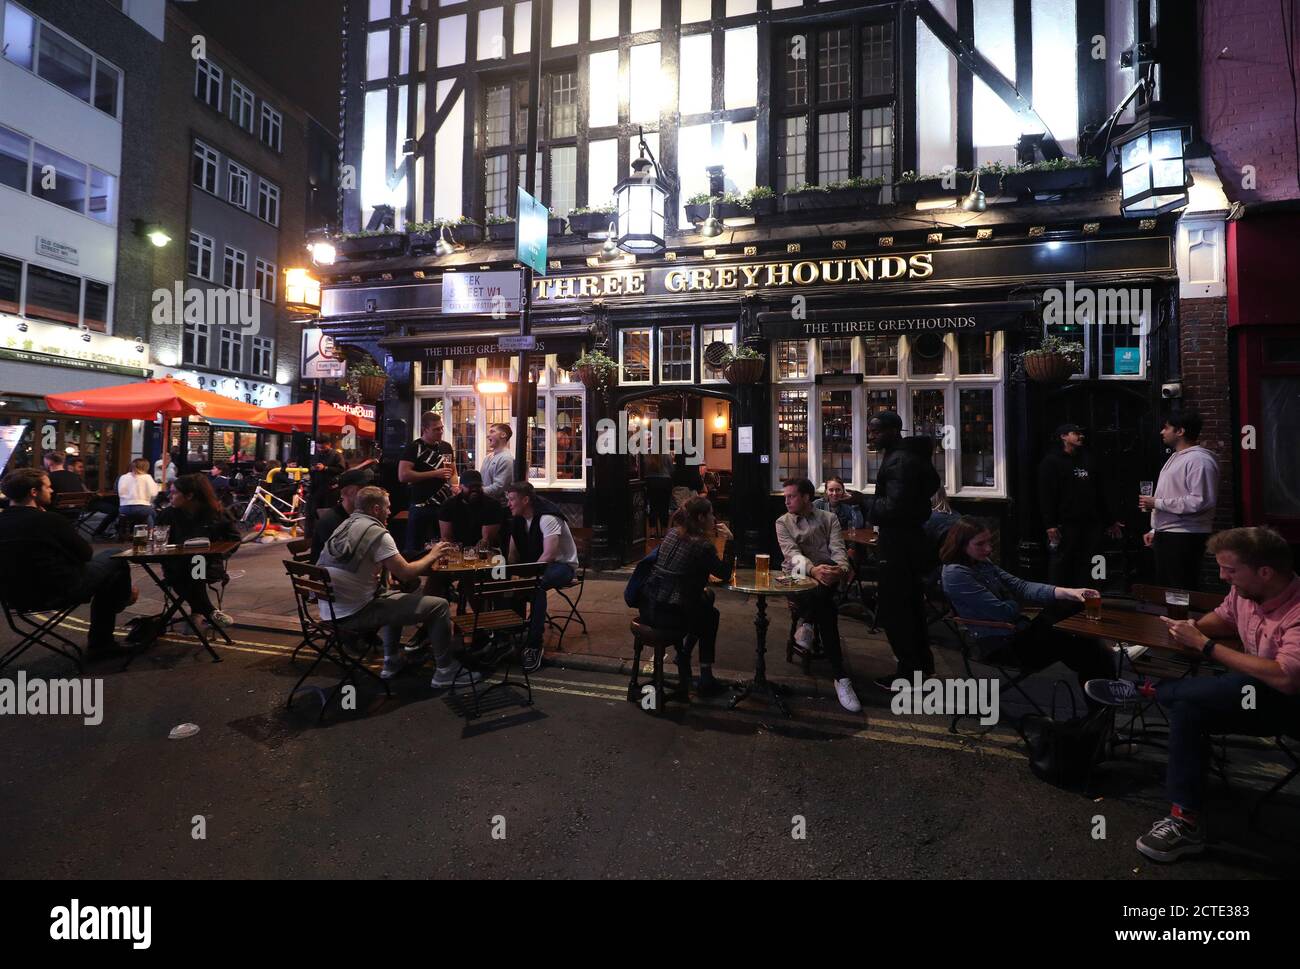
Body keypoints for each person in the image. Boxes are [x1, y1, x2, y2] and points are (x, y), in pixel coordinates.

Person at [1084, 527, 1300, 863]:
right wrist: (1192, 630)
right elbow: (1224, 617)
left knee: (1253, 681)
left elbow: (1286, 678)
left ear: (1265, 572)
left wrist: (1205, 646)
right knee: (1188, 707)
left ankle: (1149, 692)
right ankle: (1184, 821)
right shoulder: (1245, 594)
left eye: (1229, 570)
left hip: (1289, 706)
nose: (1223, 577)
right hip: (1247, 697)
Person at [317, 486, 481, 687]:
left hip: (329, 611)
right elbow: (406, 572)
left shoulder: (344, 526)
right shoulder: (376, 533)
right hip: (355, 613)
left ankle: (391, 661)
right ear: (376, 508)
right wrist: (434, 554)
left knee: (394, 597)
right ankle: (445, 672)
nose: (389, 512)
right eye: (387, 507)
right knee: (439, 606)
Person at [940, 516, 1114, 706]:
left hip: (1018, 633)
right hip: (999, 645)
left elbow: (1020, 586)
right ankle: (1103, 695)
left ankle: (1100, 700)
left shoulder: (981, 562)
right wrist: (1017, 602)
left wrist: (1071, 592)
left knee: (1073, 615)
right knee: (1082, 646)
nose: (988, 548)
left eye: (989, 541)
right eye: (980, 544)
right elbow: (1003, 612)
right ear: (961, 545)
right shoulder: (956, 573)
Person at [0, 468, 137, 658]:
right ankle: (119, 606)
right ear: (33, 492)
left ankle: (105, 636)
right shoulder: (50, 520)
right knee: (115, 556)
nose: (52, 491)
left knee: (109, 578)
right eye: (48, 487)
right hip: (59, 589)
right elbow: (86, 553)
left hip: (12, 596)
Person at [864, 411, 940, 690]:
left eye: (876, 431)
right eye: (870, 431)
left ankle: (909, 672)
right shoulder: (909, 456)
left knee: (896, 609)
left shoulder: (899, 460)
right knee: (910, 606)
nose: (871, 436)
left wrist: (868, 506)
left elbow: (893, 507)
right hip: (911, 540)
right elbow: (931, 485)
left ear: (895, 430)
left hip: (897, 543)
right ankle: (920, 666)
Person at [775, 477, 862, 713]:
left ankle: (808, 623)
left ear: (806, 497)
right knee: (827, 606)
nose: (786, 501)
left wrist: (842, 569)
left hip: (825, 581)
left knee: (826, 593)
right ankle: (841, 678)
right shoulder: (782, 522)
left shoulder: (829, 518)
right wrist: (815, 570)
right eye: (785, 497)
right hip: (796, 582)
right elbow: (792, 555)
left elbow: (838, 550)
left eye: (791, 496)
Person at [639, 497, 734, 698]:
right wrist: (730, 542)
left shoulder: (672, 534)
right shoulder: (702, 546)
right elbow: (725, 574)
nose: (714, 517)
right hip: (670, 615)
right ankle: (705, 677)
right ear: (701, 517)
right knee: (711, 615)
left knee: (707, 599)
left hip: (649, 606)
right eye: (711, 514)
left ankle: (685, 655)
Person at [1139, 410, 1220, 591]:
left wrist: (1156, 503)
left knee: (1180, 588)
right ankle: (1172, 618)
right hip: (1170, 533)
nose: (1162, 432)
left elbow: (1200, 501)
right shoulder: (1176, 457)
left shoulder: (1199, 461)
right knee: (1168, 588)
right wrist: (1155, 528)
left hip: (1185, 535)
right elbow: (1170, 493)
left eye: (1166, 428)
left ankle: (1183, 619)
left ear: (1180, 431)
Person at [1038, 423, 1125, 588]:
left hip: (1091, 522)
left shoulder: (1088, 459)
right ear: (1063, 436)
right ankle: (1058, 599)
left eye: (1081, 433)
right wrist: (1050, 524)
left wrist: (1109, 520)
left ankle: (1088, 596)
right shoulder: (1051, 462)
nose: (1080, 436)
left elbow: (1099, 492)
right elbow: (1046, 495)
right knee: (1062, 562)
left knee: (1092, 561)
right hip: (1066, 523)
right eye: (1075, 433)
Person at [506, 481, 578, 673]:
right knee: (503, 582)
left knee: (536, 585)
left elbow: (549, 555)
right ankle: (509, 635)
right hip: (536, 567)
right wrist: (509, 574)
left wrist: (525, 578)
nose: (509, 504)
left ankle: (534, 645)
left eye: (512, 499)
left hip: (563, 566)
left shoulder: (547, 517)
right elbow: (512, 555)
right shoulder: (518, 519)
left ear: (526, 499)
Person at [155, 474, 240, 628]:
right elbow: (158, 541)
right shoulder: (167, 514)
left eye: (174, 492)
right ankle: (209, 612)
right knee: (188, 570)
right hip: (176, 565)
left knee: (197, 563)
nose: (169, 496)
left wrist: (219, 554)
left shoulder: (215, 513)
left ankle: (200, 613)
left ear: (189, 495)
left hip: (207, 565)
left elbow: (234, 539)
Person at [399, 411, 455, 552]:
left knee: (444, 546)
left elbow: (453, 472)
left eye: (441, 428)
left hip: (444, 504)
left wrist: (455, 486)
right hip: (420, 505)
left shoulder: (446, 447)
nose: (441, 431)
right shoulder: (413, 447)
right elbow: (403, 475)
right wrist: (434, 473)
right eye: (436, 429)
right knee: (415, 547)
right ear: (425, 429)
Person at [311, 467, 375, 563]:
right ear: (349, 491)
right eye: (363, 488)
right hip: (329, 574)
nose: (368, 493)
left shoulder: (357, 516)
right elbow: (343, 557)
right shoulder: (331, 521)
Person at [438, 470, 505, 548]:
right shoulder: (448, 505)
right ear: (460, 486)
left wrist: (470, 554)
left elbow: (487, 540)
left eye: (478, 486)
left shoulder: (492, 505)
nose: (474, 490)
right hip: (456, 550)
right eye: (470, 486)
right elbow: (446, 538)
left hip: (484, 553)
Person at [95, 458, 157, 538]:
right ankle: (151, 534)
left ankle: (137, 533)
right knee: (153, 514)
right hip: (142, 508)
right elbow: (154, 493)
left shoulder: (123, 477)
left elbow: (119, 491)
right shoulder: (147, 477)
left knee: (148, 514)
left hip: (124, 508)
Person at [305, 440, 344, 539]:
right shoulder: (317, 454)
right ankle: (313, 536)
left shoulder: (336, 455)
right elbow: (311, 466)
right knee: (312, 513)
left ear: (329, 444)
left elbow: (341, 469)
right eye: (318, 447)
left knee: (327, 512)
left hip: (330, 489)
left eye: (322, 447)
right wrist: (313, 468)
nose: (320, 449)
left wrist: (326, 468)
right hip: (316, 488)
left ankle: (327, 535)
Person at [642, 450, 673, 541]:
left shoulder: (647, 456)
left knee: (653, 507)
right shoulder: (666, 455)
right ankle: (663, 532)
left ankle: (652, 532)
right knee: (664, 507)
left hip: (651, 482)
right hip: (665, 482)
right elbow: (671, 469)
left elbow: (643, 470)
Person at [480, 423, 514, 506]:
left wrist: (477, 491)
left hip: (498, 508)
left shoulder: (506, 458)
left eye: (492, 432)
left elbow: (499, 487)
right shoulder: (488, 457)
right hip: (485, 504)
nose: (488, 436)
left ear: (503, 435)